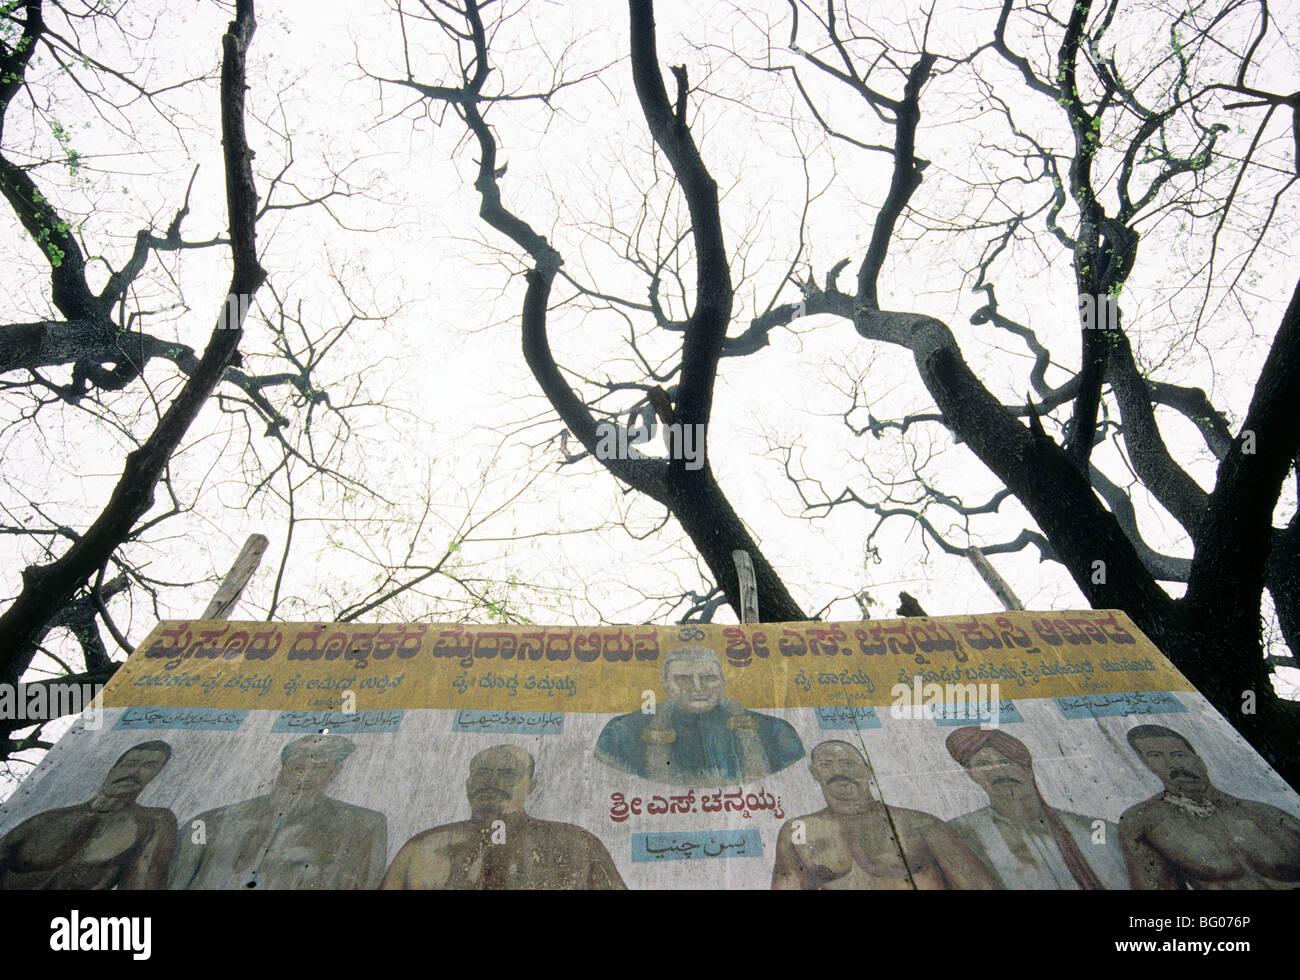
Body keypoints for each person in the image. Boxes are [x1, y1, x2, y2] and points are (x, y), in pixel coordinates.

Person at [382, 744, 625, 889]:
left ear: (532, 785)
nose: (492, 781)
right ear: (468, 783)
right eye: (483, 772)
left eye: (508, 773)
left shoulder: (577, 844)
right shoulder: (422, 848)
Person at [771, 739, 999, 889]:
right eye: (826, 764)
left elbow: (979, 885)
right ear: (814, 773)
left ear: (867, 769)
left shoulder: (922, 824)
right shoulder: (797, 832)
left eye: (847, 763)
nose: (838, 771)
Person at [170, 734, 386, 889]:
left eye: (320, 768)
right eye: (298, 769)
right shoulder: (211, 823)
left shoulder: (363, 825)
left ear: (335, 774)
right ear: (282, 770)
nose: (306, 778)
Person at [1119, 724, 1300, 889]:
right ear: (1148, 766)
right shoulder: (1144, 820)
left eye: (1178, 755)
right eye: (1155, 756)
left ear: (1200, 761)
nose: (1172, 764)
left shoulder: (1266, 814)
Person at [944, 726, 1127, 889]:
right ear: (971, 775)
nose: (999, 771)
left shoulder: (1098, 831)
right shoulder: (959, 834)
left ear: (1027, 769)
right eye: (983, 765)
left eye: (1006, 762)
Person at [595, 645, 804, 784]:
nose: (697, 687)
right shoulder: (623, 733)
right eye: (684, 679)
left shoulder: (774, 731)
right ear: (666, 685)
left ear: (723, 682)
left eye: (708, 678)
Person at [0, 740, 176, 889]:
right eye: (129, 764)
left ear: (157, 774)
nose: (134, 772)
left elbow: (143, 884)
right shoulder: (46, 820)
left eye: (149, 766)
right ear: (112, 769)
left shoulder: (152, 822)